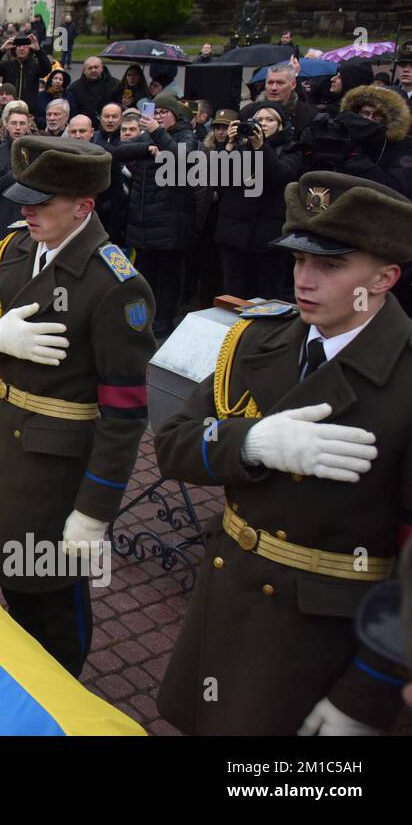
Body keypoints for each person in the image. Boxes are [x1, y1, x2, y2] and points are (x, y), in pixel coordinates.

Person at [155, 172, 412, 735]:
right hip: (227, 590)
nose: (305, 280)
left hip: (322, 633)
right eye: (298, 260)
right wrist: (248, 443)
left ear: (386, 277)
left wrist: (367, 692)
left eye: (331, 265)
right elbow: (173, 446)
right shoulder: (257, 338)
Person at [0, 136, 156, 675]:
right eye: (25, 197)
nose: (26, 210)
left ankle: (62, 693)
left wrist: (95, 511)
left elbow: (125, 414)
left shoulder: (116, 285)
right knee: (11, 580)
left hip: (57, 466)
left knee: (52, 597)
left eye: (41, 201)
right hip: (3, 435)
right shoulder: (15, 248)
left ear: (83, 206)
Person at [123, 92, 201, 337]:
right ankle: (144, 316)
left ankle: (165, 319)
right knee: (145, 274)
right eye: (154, 113)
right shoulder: (147, 137)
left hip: (170, 221)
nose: (157, 117)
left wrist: (157, 133)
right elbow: (122, 150)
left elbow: (182, 158)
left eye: (162, 113)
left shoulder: (187, 137)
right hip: (144, 219)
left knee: (169, 276)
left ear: (175, 115)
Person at [214, 103, 301, 301]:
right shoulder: (239, 147)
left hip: (268, 238)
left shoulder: (291, 149)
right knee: (233, 295)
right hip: (234, 236)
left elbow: (280, 177)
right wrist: (227, 145)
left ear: (281, 125)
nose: (263, 124)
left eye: (270, 120)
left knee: (267, 296)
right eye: (259, 120)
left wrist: (261, 147)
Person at [0, 102, 33, 265]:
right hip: (0, 222)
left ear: (28, 125)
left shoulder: (36, 152)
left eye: (22, 123)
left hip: (28, 220)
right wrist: (10, 176)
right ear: (6, 125)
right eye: (14, 123)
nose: (18, 127)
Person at [0, 35, 50, 105]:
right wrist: (1, 50)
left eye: (25, 46)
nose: (22, 49)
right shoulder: (7, 66)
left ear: (30, 48)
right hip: (9, 107)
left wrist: (38, 51)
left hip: (29, 109)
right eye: (19, 46)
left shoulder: (35, 66)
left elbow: (47, 69)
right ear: (14, 49)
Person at [263, 61, 316, 139]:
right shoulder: (250, 111)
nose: (273, 88)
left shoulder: (309, 114)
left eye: (280, 83)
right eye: (270, 83)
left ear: (293, 84)